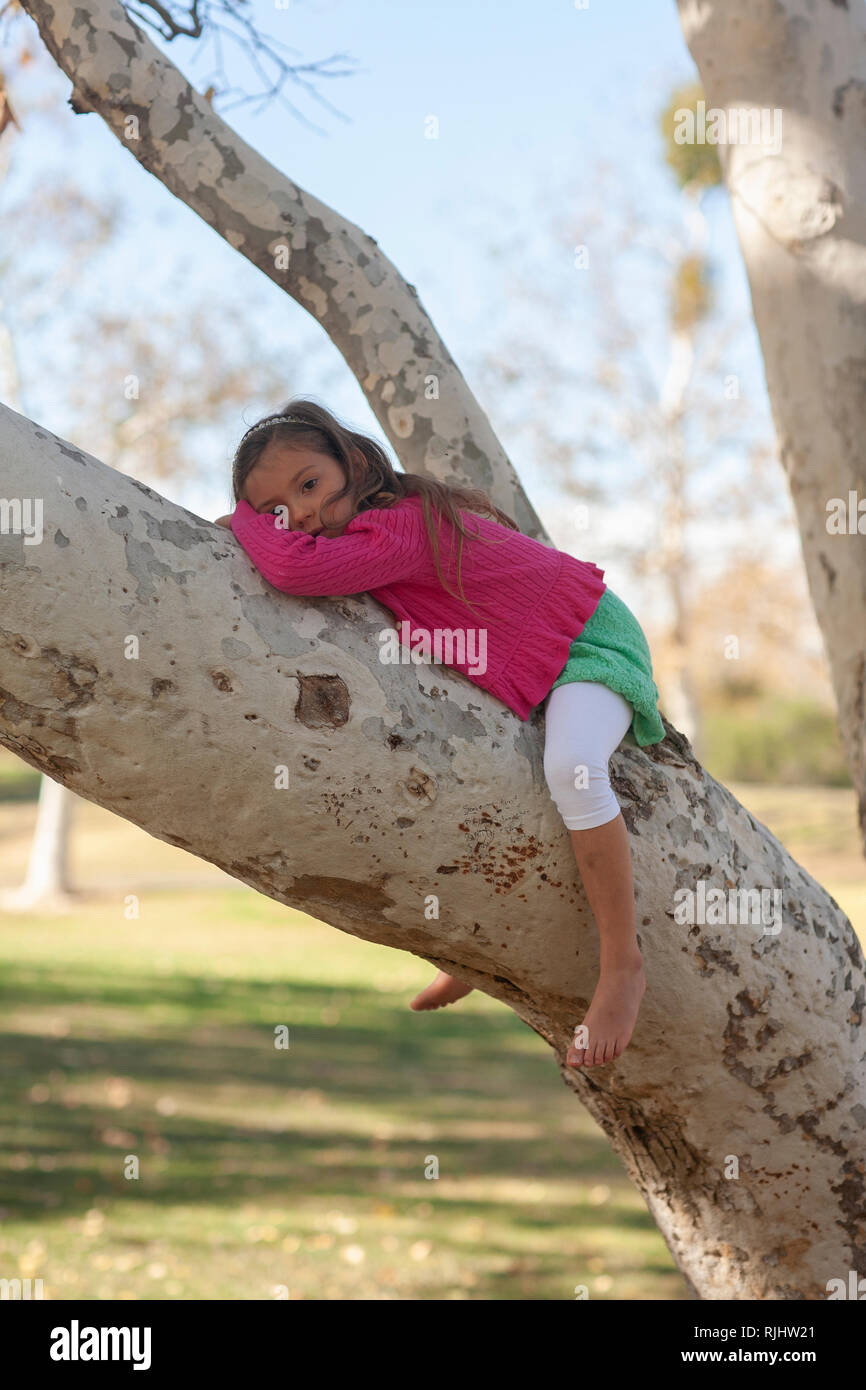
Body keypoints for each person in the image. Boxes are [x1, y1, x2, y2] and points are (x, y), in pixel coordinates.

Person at [215, 398, 666, 1067]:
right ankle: (481, 953)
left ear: (358, 464)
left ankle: (623, 965)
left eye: (308, 485)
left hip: (588, 641)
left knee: (572, 770)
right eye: (278, 510)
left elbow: (293, 570)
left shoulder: (396, 528)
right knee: (471, 787)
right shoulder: (372, 534)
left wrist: (246, 526)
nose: (300, 516)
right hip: (528, 661)